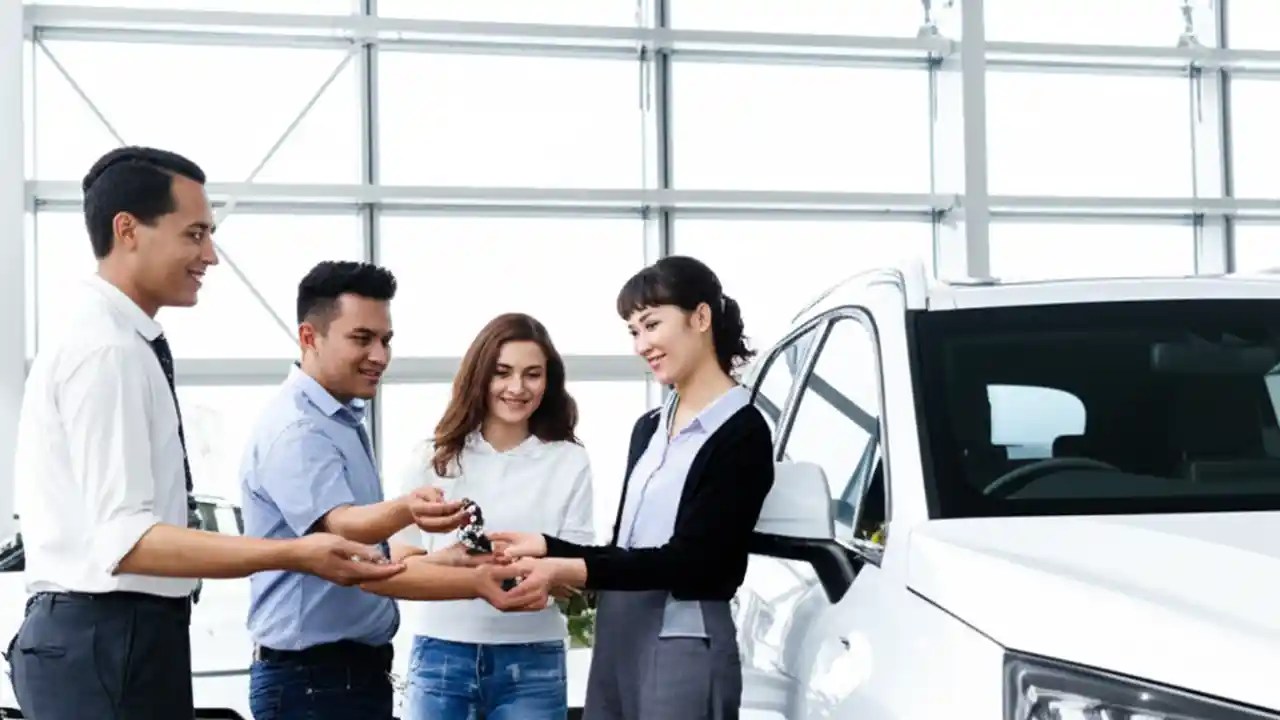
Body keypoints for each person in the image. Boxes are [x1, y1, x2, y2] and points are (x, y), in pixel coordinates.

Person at [4, 146, 404, 720]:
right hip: (108, 636)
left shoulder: (125, 342)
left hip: (126, 635)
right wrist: (296, 553)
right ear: (128, 231)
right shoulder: (105, 351)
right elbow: (128, 540)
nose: (210, 256)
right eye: (195, 234)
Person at [239, 263, 534, 719]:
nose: (379, 355)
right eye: (362, 339)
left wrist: (446, 558)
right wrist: (411, 512)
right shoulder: (298, 430)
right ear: (309, 337)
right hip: (314, 684)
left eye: (386, 340)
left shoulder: (337, 420)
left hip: (345, 678)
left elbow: (368, 562)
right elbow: (343, 533)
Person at [492, 256, 775, 720]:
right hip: (618, 638)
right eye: (633, 332)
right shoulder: (648, 428)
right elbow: (631, 549)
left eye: (651, 324)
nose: (642, 344)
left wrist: (568, 569)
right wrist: (546, 547)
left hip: (683, 645)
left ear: (701, 318)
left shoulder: (741, 432)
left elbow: (696, 561)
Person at [389, 313, 595, 720]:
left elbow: (578, 571)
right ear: (479, 376)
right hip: (441, 654)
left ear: (548, 382)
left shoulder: (570, 461)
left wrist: (540, 571)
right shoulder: (432, 458)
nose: (517, 388)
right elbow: (399, 565)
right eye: (502, 373)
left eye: (532, 375)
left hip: (533, 659)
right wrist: (455, 563)